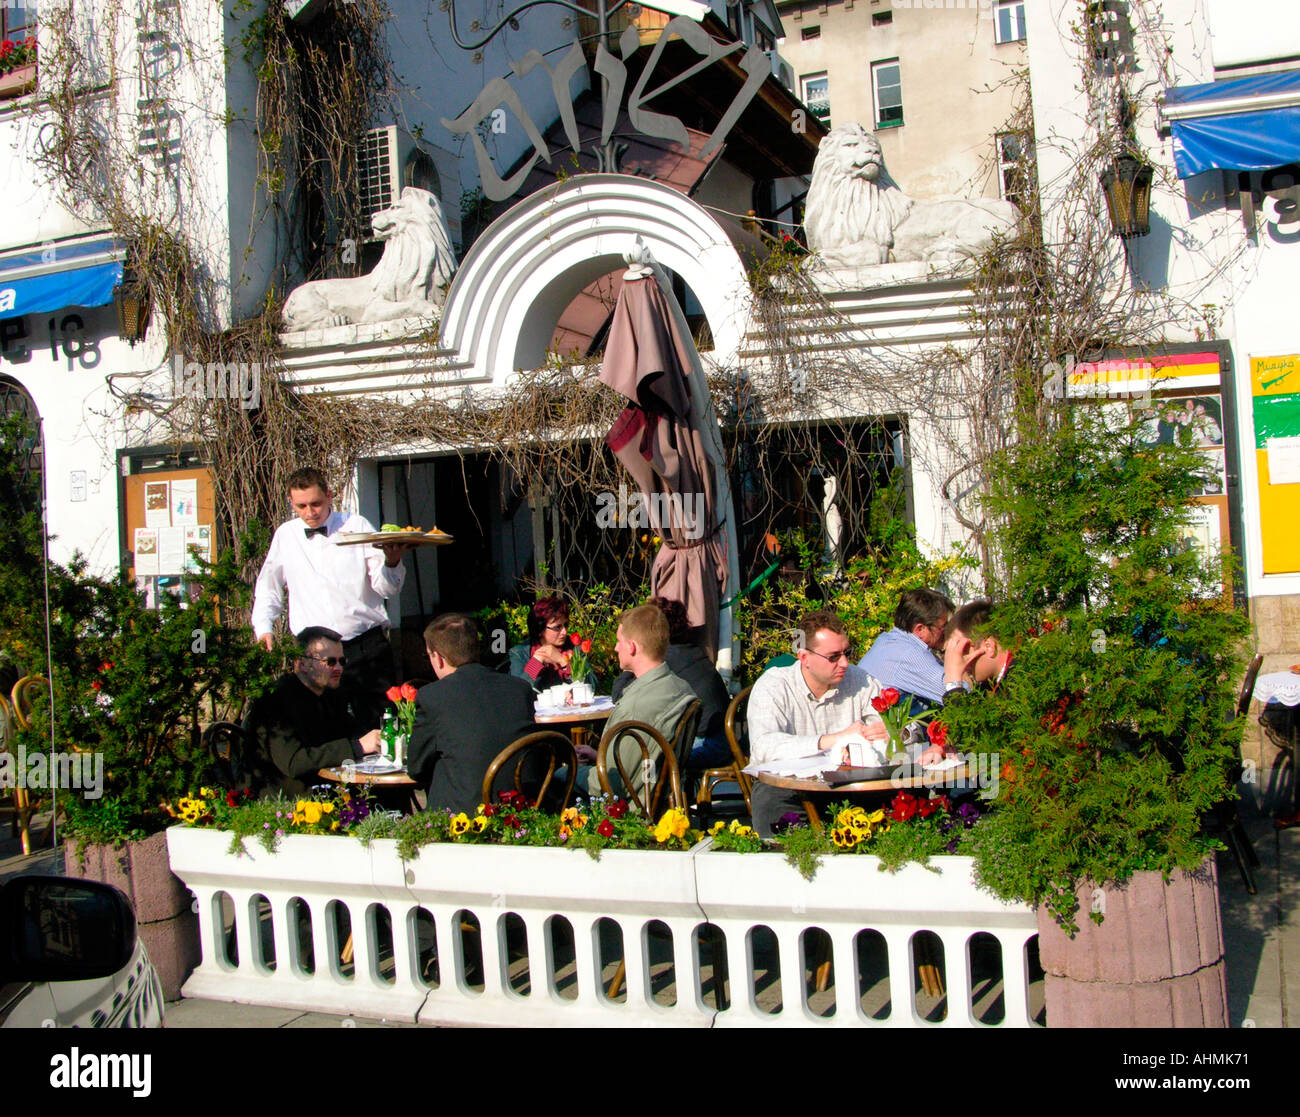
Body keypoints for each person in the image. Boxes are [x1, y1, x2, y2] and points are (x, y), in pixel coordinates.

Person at [251, 467, 412, 727]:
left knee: (382, 724)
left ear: (329, 496)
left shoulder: (356, 526)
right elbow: (268, 585)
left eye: (316, 503)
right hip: (314, 654)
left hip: (364, 647)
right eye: (301, 506)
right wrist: (263, 627)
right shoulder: (286, 535)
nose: (310, 512)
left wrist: (392, 564)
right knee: (322, 726)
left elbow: (386, 589)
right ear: (291, 502)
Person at [747, 609, 889, 836]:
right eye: (833, 657)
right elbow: (764, 747)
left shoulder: (860, 680)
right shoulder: (774, 685)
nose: (844, 662)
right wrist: (830, 740)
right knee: (770, 799)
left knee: (906, 792)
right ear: (804, 658)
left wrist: (889, 732)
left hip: (850, 786)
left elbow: (900, 728)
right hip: (790, 788)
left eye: (847, 652)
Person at [406, 613, 537, 814]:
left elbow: (416, 769)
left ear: (439, 658)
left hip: (464, 816)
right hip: (522, 807)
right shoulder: (519, 689)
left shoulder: (433, 697)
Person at [243, 627, 383, 797]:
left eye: (342, 661)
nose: (338, 668)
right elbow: (294, 763)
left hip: (325, 786)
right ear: (302, 664)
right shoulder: (277, 699)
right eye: (330, 662)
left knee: (388, 793)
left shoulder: (328, 693)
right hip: (287, 799)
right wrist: (358, 747)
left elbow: (350, 729)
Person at [582, 603, 696, 802]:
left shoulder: (635, 709)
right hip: (657, 791)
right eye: (556, 626)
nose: (563, 631)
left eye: (619, 641)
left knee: (557, 778)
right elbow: (524, 678)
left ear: (632, 647)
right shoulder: (682, 687)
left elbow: (612, 783)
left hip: (634, 803)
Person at [610, 597, 731, 775]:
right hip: (725, 739)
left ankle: (658, 799)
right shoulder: (691, 651)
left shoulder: (666, 659)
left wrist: (633, 660)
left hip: (708, 745)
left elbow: (619, 694)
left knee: (646, 762)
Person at [857, 587, 955, 710]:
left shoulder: (888, 640)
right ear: (920, 629)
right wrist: (956, 651)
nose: (947, 632)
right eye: (943, 627)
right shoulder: (908, 654)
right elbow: (957, 694)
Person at [941, 600, 1014, 696]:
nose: (959, 661)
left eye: (962, 652)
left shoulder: (1022, 680)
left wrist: (953, 684)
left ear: (989, 646)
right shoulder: (988, 686)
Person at [509, 595, 574, 692]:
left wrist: (563, 662)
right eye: (557, 627)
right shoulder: (520, 653)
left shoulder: (573, 647)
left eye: (566, 625)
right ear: (540, 629)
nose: (564, 632)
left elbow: (591, 685)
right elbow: (516, 692)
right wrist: (536, 662)